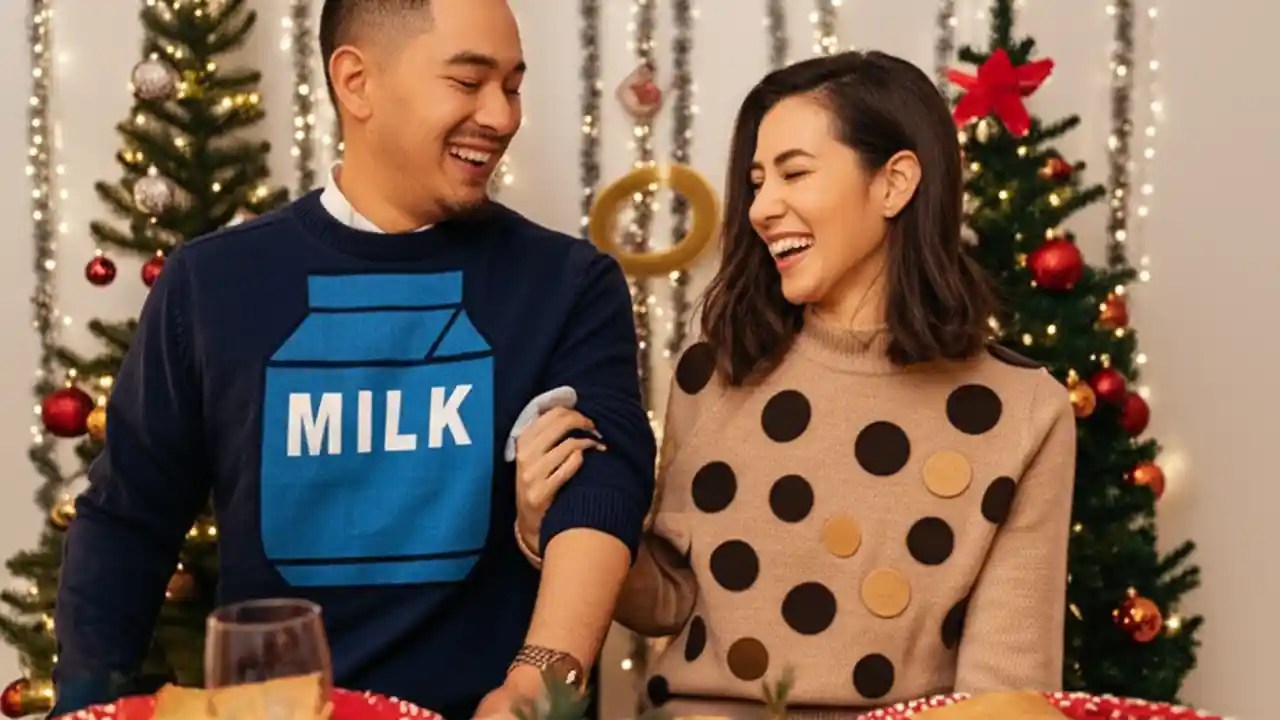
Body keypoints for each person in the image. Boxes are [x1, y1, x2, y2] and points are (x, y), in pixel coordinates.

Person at [50, 1, 654, 718]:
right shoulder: (211, 284)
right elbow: (129, 518)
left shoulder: (569, 284)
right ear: (356, 82)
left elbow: (600, 485)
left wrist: (537, 683)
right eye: (469, 83)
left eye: (514, 86)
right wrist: (81, 705)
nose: (501, 115)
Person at [520, 50, 1076, 717]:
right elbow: (669, 596)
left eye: (794, 174)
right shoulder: (715, 370)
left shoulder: (1022, 410)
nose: (760, 208)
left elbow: (1004, 691)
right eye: (756, 182)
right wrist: (548, 524)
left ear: (895, 183)